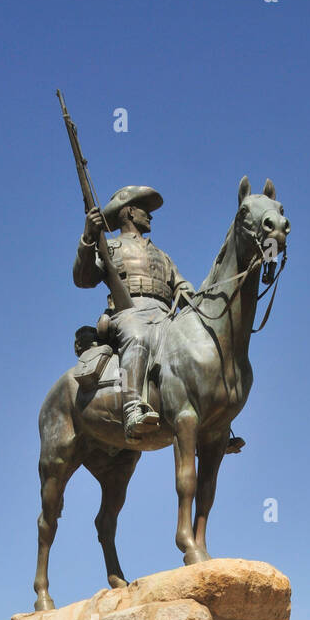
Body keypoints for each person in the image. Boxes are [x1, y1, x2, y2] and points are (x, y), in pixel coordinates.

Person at [73, 186, 193, 441]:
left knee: (196, 344)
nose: (150, 215)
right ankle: (131, 409)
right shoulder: (111, 247)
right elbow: (83, 279)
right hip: (129, 313)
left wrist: (187, 292)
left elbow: (180, 283)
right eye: (144, 210)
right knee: (137, 336)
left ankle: (213, 419)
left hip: (165, 314)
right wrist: (87, 239)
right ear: (128, 212)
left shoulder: (161, 254)